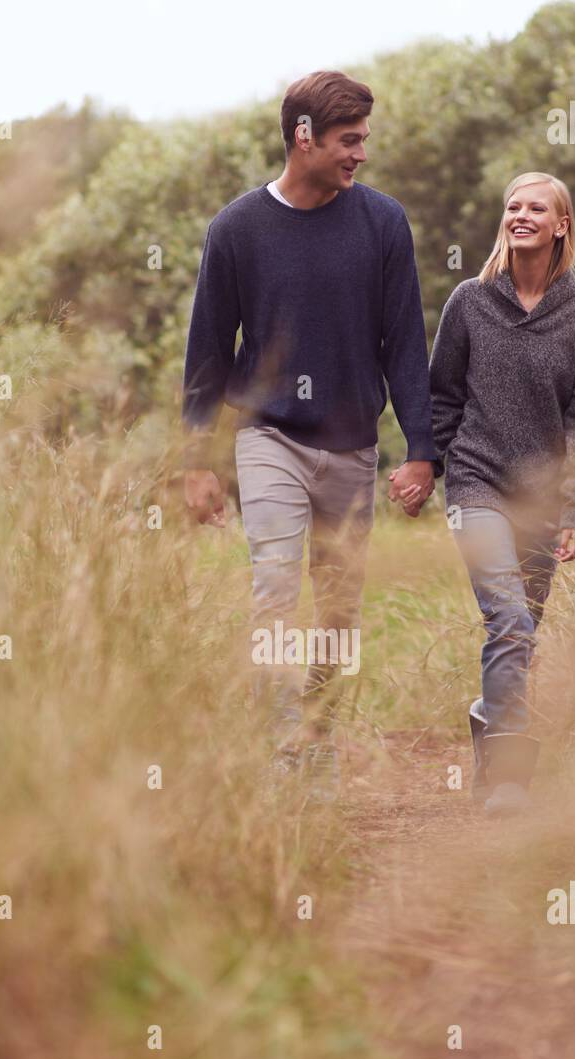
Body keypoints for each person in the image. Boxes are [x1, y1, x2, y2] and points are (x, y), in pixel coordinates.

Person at [181, 70, 439, 797]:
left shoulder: (383, 222)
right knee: (273, 590)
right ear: (304, 137)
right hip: (270, 439)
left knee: (337, 611)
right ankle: (279, 750)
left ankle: (317, 740)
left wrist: (422, 449)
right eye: (349, 141)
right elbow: (207, 351)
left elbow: (404, 345)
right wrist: (194, 461)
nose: (360, 155)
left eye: (363, 140)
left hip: (354, 446)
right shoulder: (237, 229)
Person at [420, 171, 575, 816]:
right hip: (475, 482)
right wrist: (441, 464)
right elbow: (440, 392)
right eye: (512, 206)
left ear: (561, 225)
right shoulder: (469, 302)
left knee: (521, 631)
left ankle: (488, 720)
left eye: (536, 208)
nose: (520, 215)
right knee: (507, 618)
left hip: (544, 499)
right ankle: (508, 779)